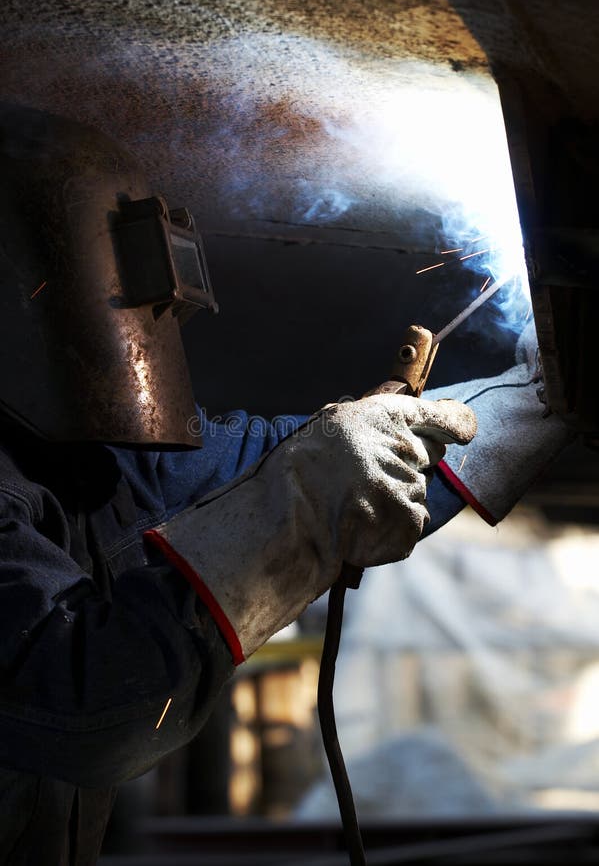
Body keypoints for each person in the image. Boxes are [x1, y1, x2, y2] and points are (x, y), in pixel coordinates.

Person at [0, 103, 571, 865]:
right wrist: (301, 501)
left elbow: (281, 463)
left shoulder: (66, 449)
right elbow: (89, 704)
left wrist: (536, 394)